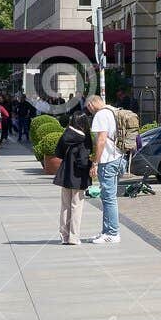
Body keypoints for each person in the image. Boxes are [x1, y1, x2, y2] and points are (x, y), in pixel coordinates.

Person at [85, 94, 125, 244]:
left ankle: (113, 233)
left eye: (88, 107)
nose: (89, 111)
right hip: (119, 158)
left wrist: (95, 162)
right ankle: (106, 231)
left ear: (91, 104)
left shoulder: (100, 115)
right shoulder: (113, 111)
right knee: (109, 197)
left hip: (108, 160)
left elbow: (101, 140)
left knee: (109, 198)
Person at [54, 112, 92, 245]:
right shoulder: (84, 138)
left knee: (65, 205)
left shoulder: (66, 134)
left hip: (65, 173)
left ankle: (64, 236)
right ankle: (74, 237)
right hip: (78, 176)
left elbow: (57, 153)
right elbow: (83, 160)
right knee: (77, 205)